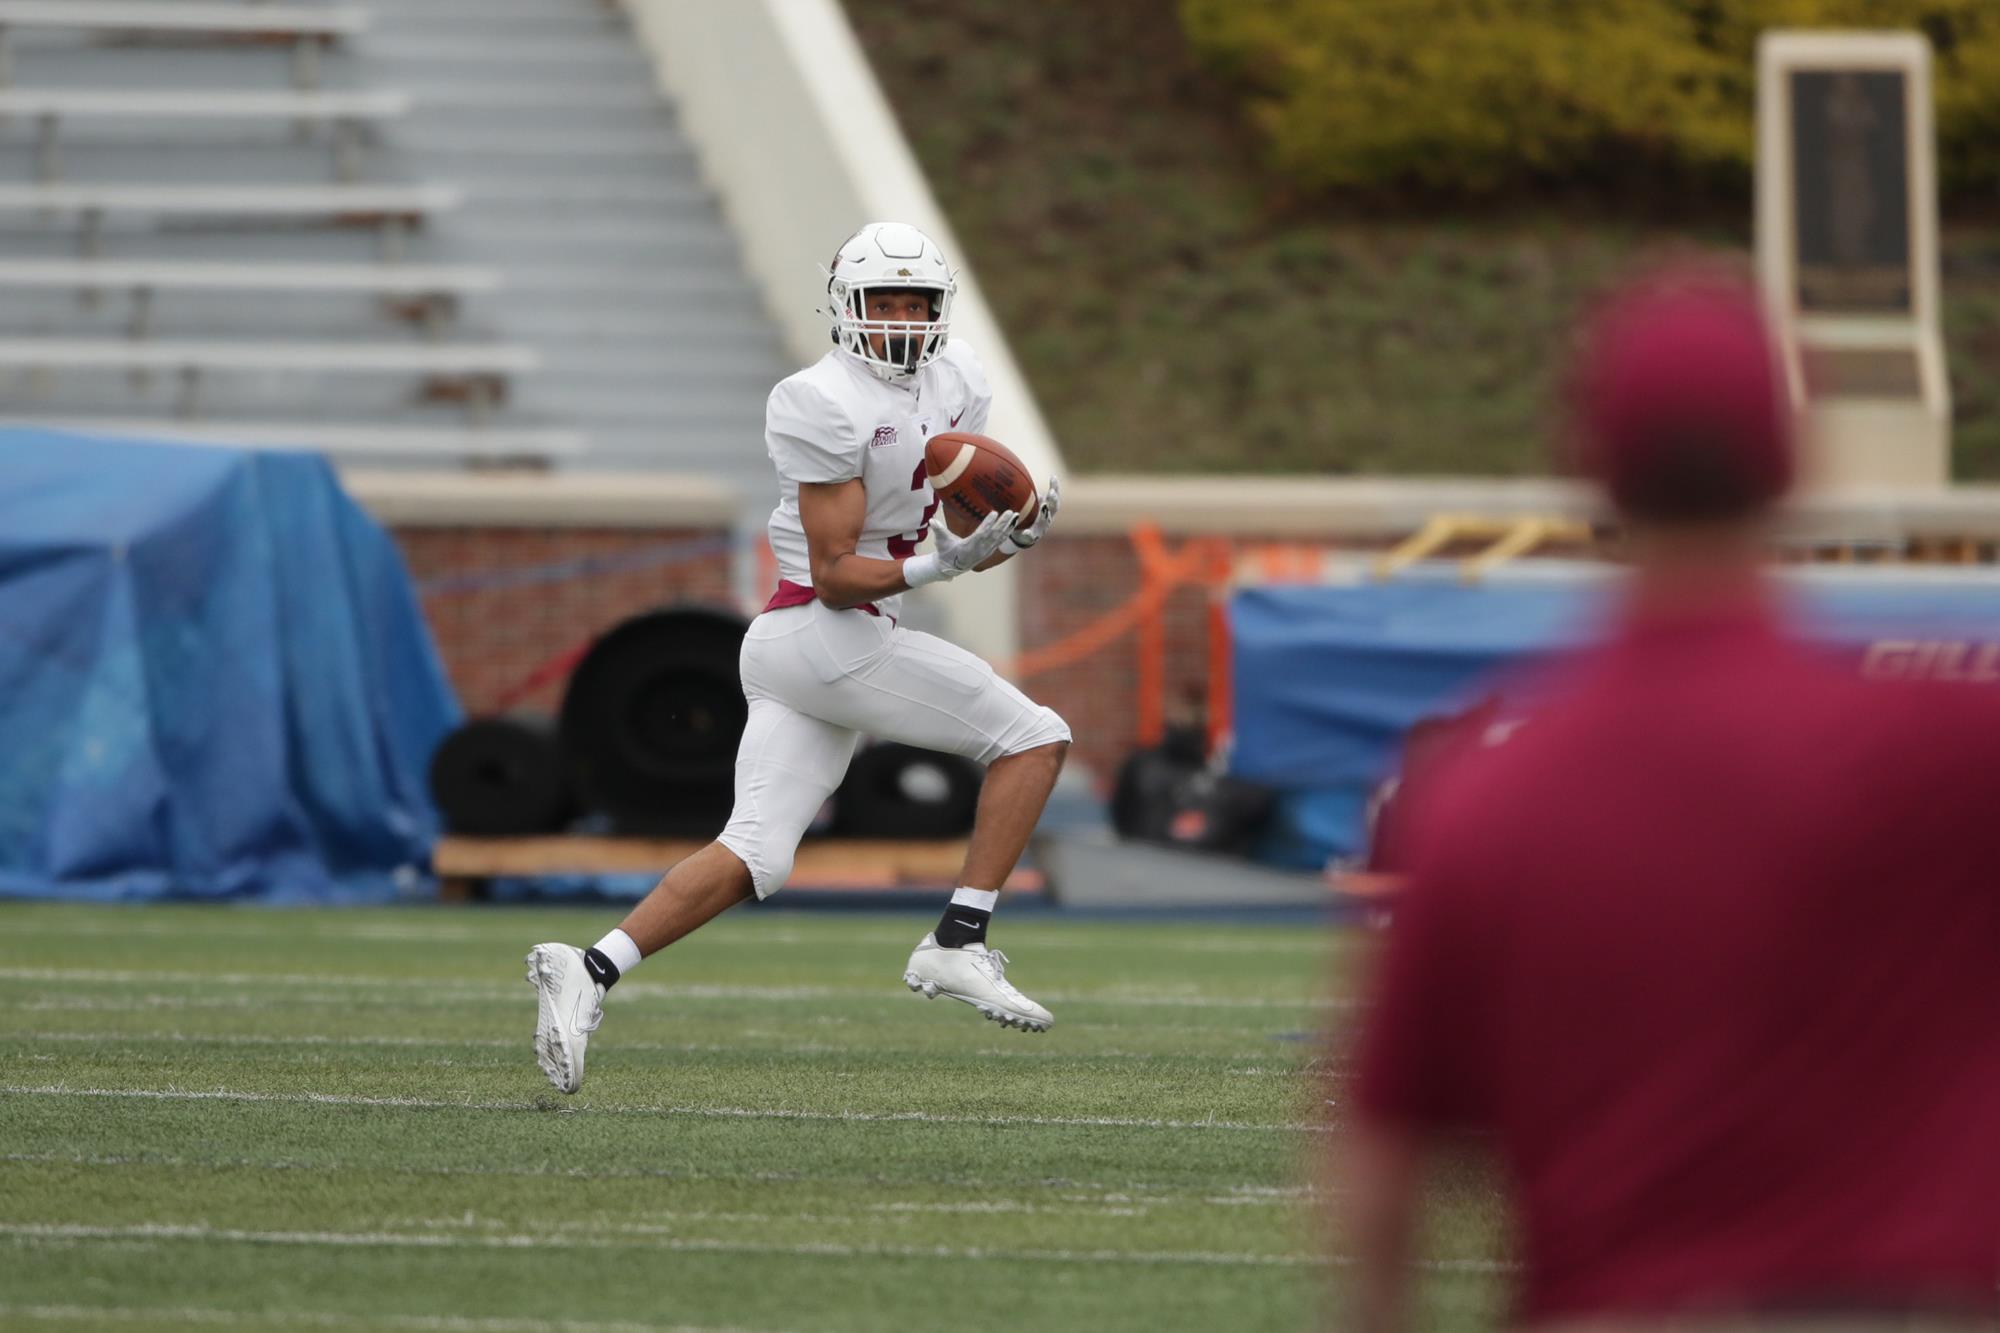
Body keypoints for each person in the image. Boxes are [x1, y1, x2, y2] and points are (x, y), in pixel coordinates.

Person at [1342, 272, 2000, 1331]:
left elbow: (1384, 1167)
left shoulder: (1488, 795)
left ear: (1588, 470)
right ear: (1790, 466)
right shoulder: (1945, 746)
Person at [524, 222, 1072, 1094]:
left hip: (809, 646)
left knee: (757, 853)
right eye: (881, 302)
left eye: (914, 303)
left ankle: (586, 968)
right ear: (844, 308)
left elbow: (964, 531)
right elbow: (835, 576)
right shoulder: (819, 398)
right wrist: (943, 563)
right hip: (821, 630)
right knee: (1036, 738)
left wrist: (1014, 534)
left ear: (939, 309)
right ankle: (957, 941)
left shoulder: (958, 377)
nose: (898, 320)